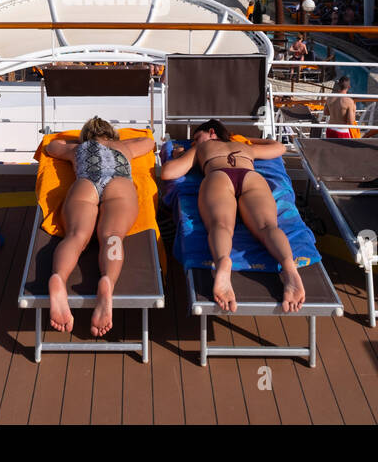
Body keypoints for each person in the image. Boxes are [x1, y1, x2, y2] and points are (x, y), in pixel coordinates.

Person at [161, 120, 305, 313]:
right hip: (251, 177)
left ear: (211, 132)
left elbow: (168, 173)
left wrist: (179, 155)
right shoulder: (244, 146)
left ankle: (223, 263)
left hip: (219, 176)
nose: (194, 142)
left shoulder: (202, 148)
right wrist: (244, 139)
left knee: (220, 225)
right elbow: (278, 148)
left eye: (196, 137)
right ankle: (289, 268)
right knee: (269, 227)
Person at [41, 117, 153, 336]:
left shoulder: (78, 149)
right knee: (112, 237)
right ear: (111, 134)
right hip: (119, 183)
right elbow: (148, 142)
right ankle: (107, 282)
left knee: (75, 236)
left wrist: (76, 141)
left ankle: (59, 278)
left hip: (86, 183)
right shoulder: (124, 146)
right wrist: (121, 139)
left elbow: (51, 146)